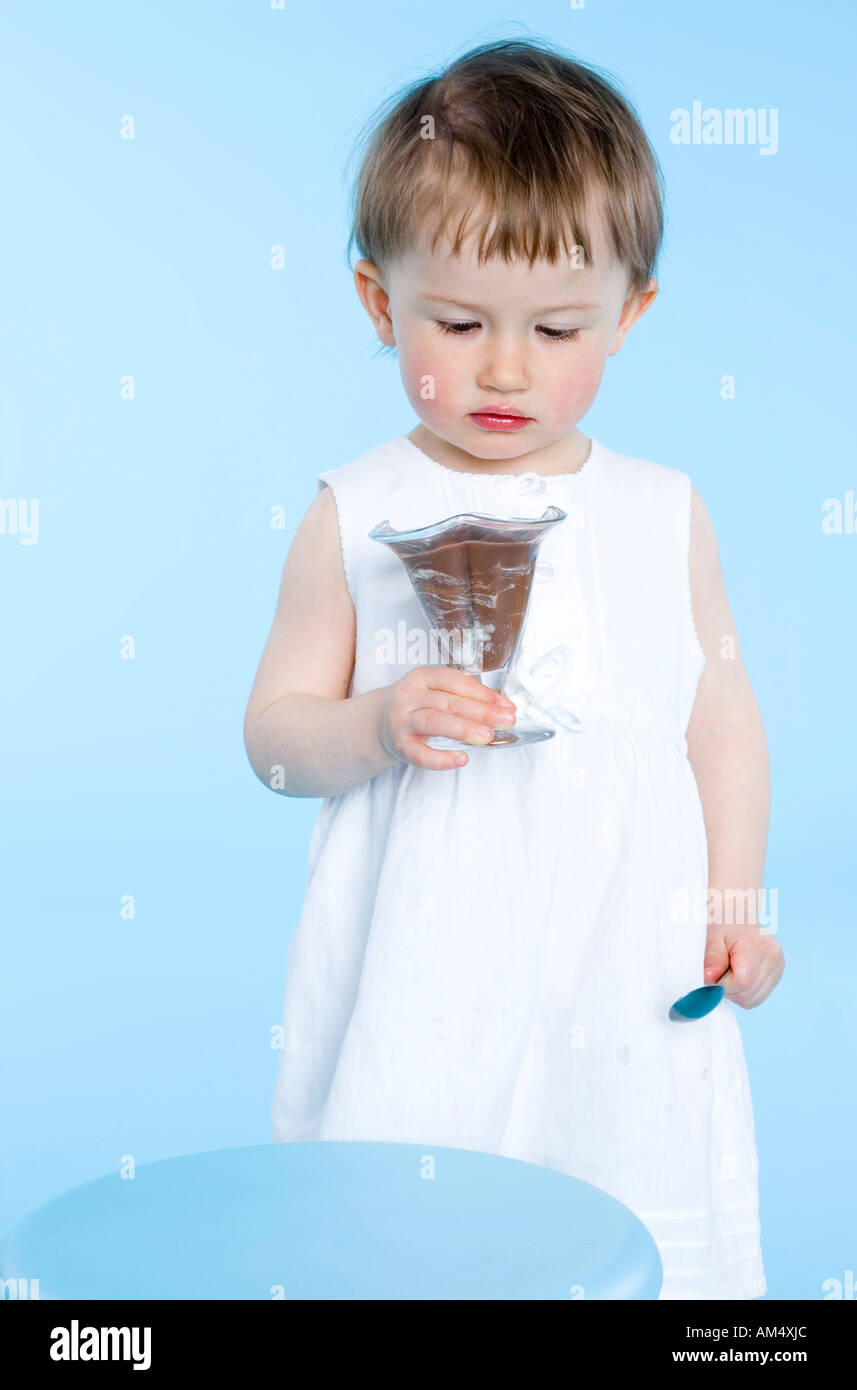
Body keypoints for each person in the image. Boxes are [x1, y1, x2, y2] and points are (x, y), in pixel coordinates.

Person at [243, 37, 784, 1300]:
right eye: (455, 320)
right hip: (424, 961)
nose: (501, 367)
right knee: (405, 1231)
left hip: (622, 949)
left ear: (629, 313)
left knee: (625, 1212)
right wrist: (373, 723)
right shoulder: (356, 508)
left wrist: (737, 899)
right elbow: (272, 734)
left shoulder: (662, 511)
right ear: (380, 304)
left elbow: (719, 718)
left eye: (553, 327)